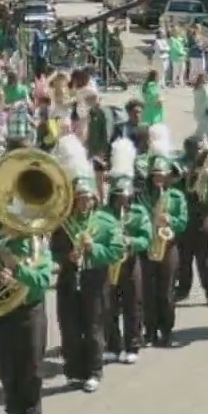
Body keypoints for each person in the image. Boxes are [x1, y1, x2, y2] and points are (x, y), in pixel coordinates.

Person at [50, 153, 124, 393]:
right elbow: (53, 251)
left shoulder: (105, 221)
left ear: (94, 199)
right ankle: (74, 371)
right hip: (69, 279)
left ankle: (94, 370)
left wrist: (95, 249)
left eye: (87, 199)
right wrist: (65, 257)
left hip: (94, 279)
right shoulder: (63, 223)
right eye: (79, 199)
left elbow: (116, 251)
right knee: (70, 327)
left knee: (93, 326)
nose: (83, 203)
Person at [0, 228, 53, 414]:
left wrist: (19, 271)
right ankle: (16, 412)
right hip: (5, 310)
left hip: (31, 309)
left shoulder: (37, 244)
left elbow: (43, 280)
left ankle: (34, 413)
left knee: (31, 362)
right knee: (7, 362)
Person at [102, 142, 149, 365]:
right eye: (119, 196)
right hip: (110, 264)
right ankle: (113, 344)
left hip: (130, 263)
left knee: (133, 304)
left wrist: (130, 241)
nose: (123, 200)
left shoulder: (139, 213)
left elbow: (146, 238)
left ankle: (132, 345)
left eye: (126, 197)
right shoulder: (104, 214)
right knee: (109, 305)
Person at [138, 153, 187, 348]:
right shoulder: (144, 196)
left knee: (166, 291)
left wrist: (170, 221)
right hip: (149, 245)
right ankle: (149, 331)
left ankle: (166, 330)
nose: (158, 178)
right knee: (148, 291)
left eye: (162, 175)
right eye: (155, 175)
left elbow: (183, 222)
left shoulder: (176, 196)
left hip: (168, 247)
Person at [174, 136, 208, 305]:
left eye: (202, 148)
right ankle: (183, 289)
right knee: (183, 257)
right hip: (185, 216)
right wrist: (188, 174)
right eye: (197, 149)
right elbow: (173, 179)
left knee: (207, 257)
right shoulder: (181, 163)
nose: (201, 151)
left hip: (204, 215)